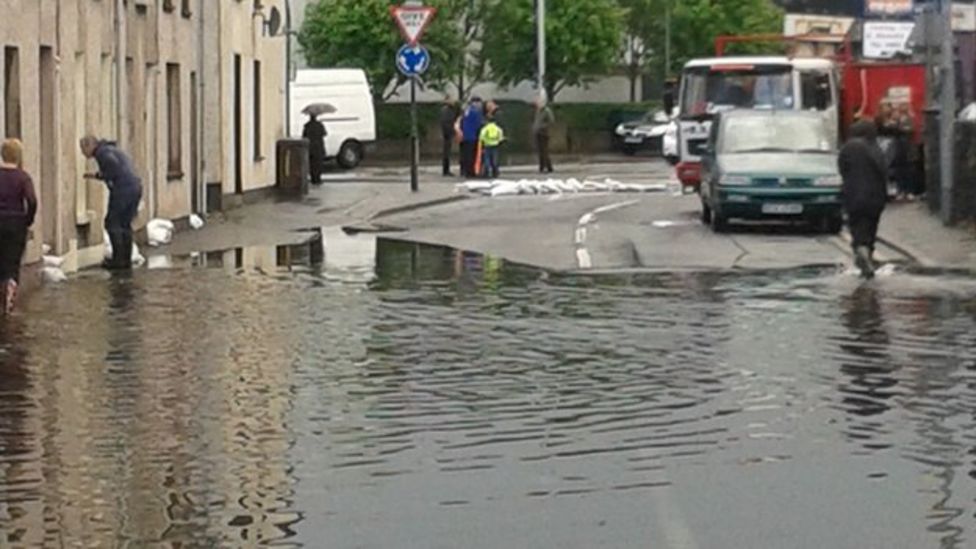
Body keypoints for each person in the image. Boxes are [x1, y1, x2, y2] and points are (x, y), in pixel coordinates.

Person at [80, 136, 143, 271]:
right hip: (135, 186)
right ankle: (126, 259)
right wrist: (98, 175)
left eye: (82, 149)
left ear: (89, 146)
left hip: (123, 189)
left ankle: (118, 260)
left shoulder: (102, 153)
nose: (82, 153)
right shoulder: (111, 149)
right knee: (125, 224)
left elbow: (112, 167)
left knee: (112, 223)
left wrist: (104, 176)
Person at [838, 119, 888, 280]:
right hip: (876, 197)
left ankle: (861, 252)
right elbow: (884, 170)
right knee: (870, 228)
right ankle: (868, 253)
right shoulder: (876, 148)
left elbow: (842, 168)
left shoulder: (848, 147)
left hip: (854, 195)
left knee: (857, 228)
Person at [0, 139, 38, 314]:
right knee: (13, 261)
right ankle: (10, 287)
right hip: (16, 223)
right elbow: (31, 200)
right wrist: (27, 220)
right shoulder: (23, 177)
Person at [460, 97, 484, 177]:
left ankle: (466, 171)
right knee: (472, 155)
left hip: (466, 136)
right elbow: (479, 124)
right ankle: (471, 172)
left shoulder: (466, 111)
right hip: (473, 136)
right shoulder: (476, 112)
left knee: (466, 154)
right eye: (479, 103)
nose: (480, 105)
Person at [303, 113, 328, 185]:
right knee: (318, 164)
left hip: (310, 147)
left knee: (312, 164)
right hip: (319, 147)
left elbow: (304, 136)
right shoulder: (319, 125)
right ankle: (318, 179)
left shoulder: (307, 126)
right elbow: (325, 133)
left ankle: (313, 178)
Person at [479, 114, 505, 179]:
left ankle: (486, 173)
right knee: (494, 159)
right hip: (495, 145)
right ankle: (495, 172)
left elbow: (481, 137)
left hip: (487, 145)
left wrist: (484, 143)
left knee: (486, 159)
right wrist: (498, 141)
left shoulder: (485, 128)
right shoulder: (498, 128)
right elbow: (501, 137)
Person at [532, 98, 555, 174]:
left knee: (544, 151)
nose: (536, 105)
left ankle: (547, 167)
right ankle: (543, 167)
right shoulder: (538, 111)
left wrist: (542, 126)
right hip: (538, 132)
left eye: (537, 103)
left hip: (544, 133)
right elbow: (537, 121)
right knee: (540, 151)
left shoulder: (546, 111)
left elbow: (551, 121)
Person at [439, 97, 459, 176]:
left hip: (447, 132)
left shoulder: (447, 110)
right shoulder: (447, 111)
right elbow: (447, 122)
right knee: (446, 152)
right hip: (447, 133)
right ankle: (446, 170)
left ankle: (446, 170)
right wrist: (451, 132)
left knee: (447, 152)